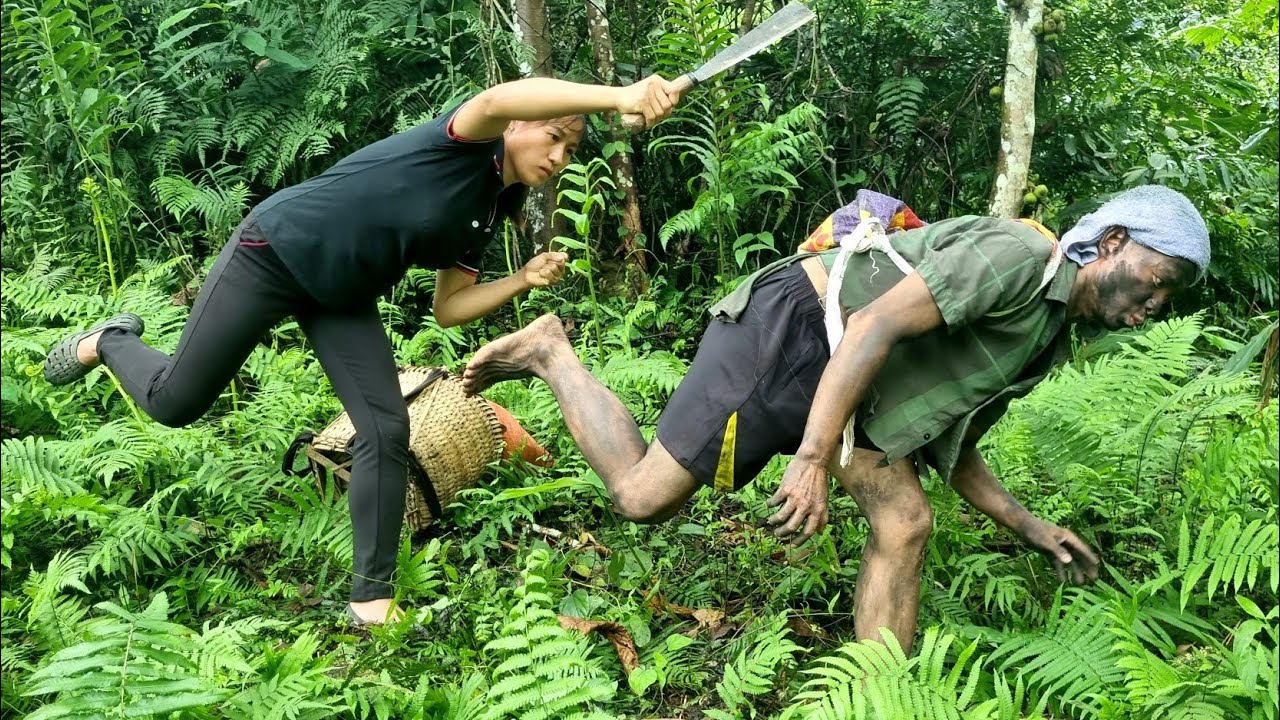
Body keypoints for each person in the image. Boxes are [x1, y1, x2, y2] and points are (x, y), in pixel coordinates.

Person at [42, 75, 686, 625]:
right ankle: (110, 339)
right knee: (175, 402)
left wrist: (523, 278)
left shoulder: (486, 213)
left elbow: (449, 307)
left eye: (571, 150)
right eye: (554, 136)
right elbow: (506, 92)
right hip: (277, 251)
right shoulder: (462, 140)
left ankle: (370, 598)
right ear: (520, 126)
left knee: (385, 426)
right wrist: (620, 96)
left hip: (340, 297)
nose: (560, 156)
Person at [461, 185, 1210, 645]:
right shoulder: (1017, 257)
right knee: (641, 498)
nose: (1154, 306)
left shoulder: (1047, 339)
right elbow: (872, 327)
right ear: (1112, 243)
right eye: (1158, 280)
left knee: (906, 520)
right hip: (792, 331)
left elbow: (948, 445)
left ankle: (880, 693)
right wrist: (812, 458)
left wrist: (1030, 526)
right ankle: (552, 351)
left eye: (1168, 298)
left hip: (855, 388)